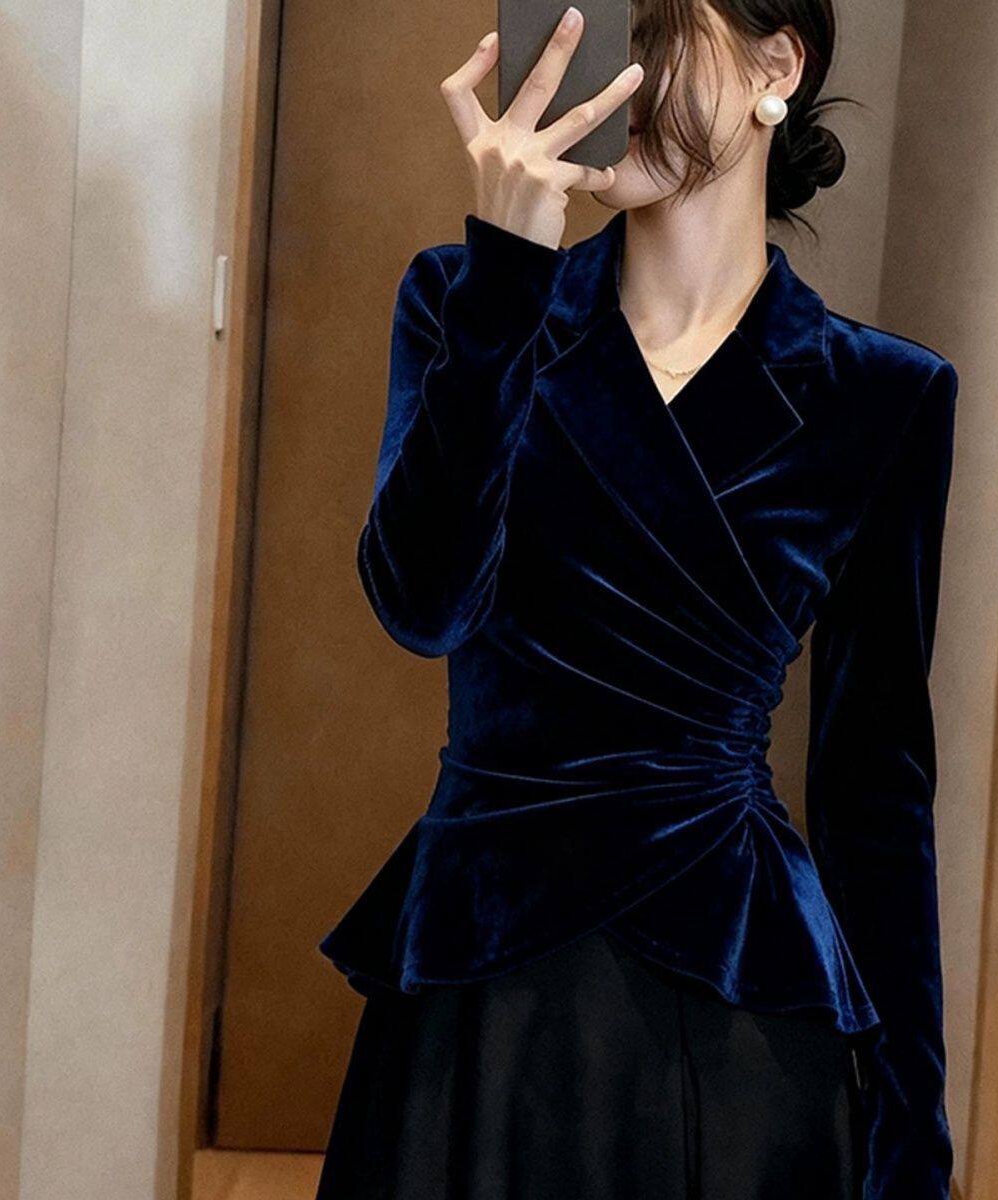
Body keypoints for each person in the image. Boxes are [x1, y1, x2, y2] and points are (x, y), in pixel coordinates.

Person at [315, 2, 958, 1198]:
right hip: (480, 979)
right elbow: (422, 606)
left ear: (777, 64)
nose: (616, 79)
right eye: (598, 28)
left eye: (656, 30)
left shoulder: (883, 395)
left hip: (737, 1000)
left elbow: (877, 788)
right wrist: (508, 278)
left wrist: (911, 1136)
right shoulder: (465, 298)